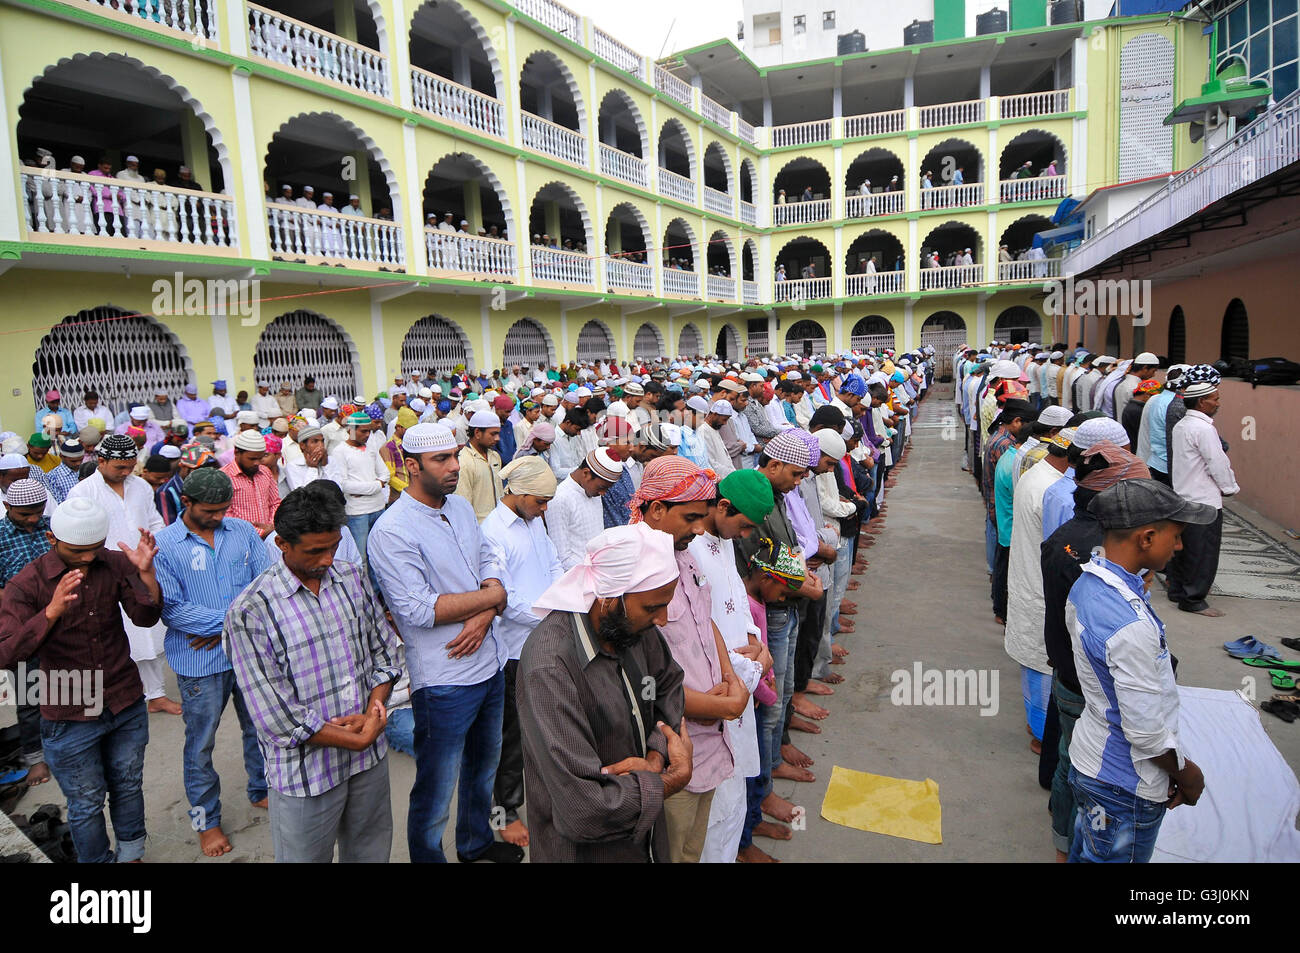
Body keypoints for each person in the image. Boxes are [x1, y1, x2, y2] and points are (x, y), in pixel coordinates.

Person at [367, 423, 522, 864]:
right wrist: (493, 598)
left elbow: (488, 556)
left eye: (455, 456)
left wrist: (489, 605)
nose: (454, 466)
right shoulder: (391, 530)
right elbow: (417, 609)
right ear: (411, 466)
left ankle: (476, 845)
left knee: (481, 772)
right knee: (436, 789)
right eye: (442, 460)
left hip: (489, 664)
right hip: (445, 679)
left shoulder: (457, 507)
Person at [224, 483, 401, 863]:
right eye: (315, 551)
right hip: (305, 775)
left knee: (371, 853)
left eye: (333, 547)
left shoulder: (352, 577)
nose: (326, 559)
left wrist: (374, 711)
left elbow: (385, 653)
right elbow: (277, 718)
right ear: (282, 543)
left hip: (368, 760)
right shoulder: (251, 612)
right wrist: (355, 736)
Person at [0, 496, 162, 863]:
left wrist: (147, 577)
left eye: (94, 550)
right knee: (86, 800)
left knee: (127, 785)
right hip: (70, 706)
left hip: (123, 698)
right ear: (51, 539)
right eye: (78, 551)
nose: (88, 558)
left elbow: (146, 618)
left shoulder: (116, 563)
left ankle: (132, 855)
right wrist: (52, 611)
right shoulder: (26, 585)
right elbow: (7, 653)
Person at [517, 522, 690, 862]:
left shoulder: (632, 628)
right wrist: (669, 781)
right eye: (653, 608)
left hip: (642, 839)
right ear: (609, 599)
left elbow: (667, 683)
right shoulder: (550, 668)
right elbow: (584, 809)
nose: (663, 619)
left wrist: (655, 756)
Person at [1066, 479, 1213, 863]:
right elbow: (1146, 734)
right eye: (1176, 536)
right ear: (1146, 538)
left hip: (1091, 764)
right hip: (1123, 788)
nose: (1179, 547)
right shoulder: (1128, 625)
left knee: (1088, 852)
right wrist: (1186, 773)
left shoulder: (1088, 583)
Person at [153, 469, 271, 857]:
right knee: (200, 744)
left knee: (260, 727)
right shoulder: (165, 545)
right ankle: (207, 820)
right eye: (211, 511)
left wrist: (225, 626)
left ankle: (261, 788)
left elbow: (265, 588)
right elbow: (172, 609)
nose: (219, 517)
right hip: (198, 662)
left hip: (250, 653)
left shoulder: (243, 533)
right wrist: (231, 622)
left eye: (224, 509)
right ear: (186, 503)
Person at [687, 470, 775, 863]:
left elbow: (737, 597)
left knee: (735, 795)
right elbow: (696, 629)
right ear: (722, 506)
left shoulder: (723, 540)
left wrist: (756, 640)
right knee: (713, 808)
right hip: (715, 688)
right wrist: (744, 665)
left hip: (743, 678)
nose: (744, 536)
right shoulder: (689, 549)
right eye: (743, 526)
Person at [479, 456, 563, 850]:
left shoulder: (534, 523)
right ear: (520, 493)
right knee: (510, 737)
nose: (545, 508)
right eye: (541, 501)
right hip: (514, 649)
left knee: (546, 729)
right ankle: (504, 811)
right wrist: (548, 616)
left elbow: (553, 566)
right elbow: (504, 598)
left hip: (546, 639)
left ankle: (545, 796)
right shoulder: (493, 532)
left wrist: (565, 600)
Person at [67, 434, 182, 715]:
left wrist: (155, 543)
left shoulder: (141, 486)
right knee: (111, 636)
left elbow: (154, 520)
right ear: (101, 460)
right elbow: (75, 538)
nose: (126, 472)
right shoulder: (82, 493)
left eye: (130, 466)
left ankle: (155, 694)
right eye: (120, 467)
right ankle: (119, 697)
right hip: (102, 572)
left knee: (149, 633)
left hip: (140, 570)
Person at [1167, 365, 1238, 617]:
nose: (1218, 403)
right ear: (1202, 402)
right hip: (1203, 499)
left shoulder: (1184, 425)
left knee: (1184, 548)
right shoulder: (1204, 429)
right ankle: (1193, 599)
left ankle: (1177, 590)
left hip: (1184, 495)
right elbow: (1217, 462)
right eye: (1215, 399)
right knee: (1203, 552)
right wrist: (1229, 488)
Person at [0, 479, 55, 787]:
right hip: (21, 626)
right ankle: (35, 758)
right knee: (30, 694)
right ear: (8, 507)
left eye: (38, 513)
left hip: (61, 619)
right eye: (25, 515)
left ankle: (73, 745)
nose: (33, 520)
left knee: (71, 685)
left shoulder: (53, 527)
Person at [546, 448, 623, 570]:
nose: (603, 493)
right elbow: (562, 558)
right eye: (602, 487)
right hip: (578, 579)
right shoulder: (560, 499)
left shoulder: (594, 492)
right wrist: (596, 571)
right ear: (586, 473)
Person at [332, 411, 389, 569]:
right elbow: (343, 485)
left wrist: (366, 489)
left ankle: (378, 592)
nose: (367, 435)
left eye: (369, 431)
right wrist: (376, 486)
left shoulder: (370, 448)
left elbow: (385, 474)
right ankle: (363, 592)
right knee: (361, 557)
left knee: (380, 554)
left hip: (378, 507)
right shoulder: (340, 451)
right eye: (363, 431)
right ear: (351, 430)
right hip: (357, 512)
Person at [220, 430, 281, 538]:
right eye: (252, 459)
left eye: (260, 458)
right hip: (240, 540)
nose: (257, 463)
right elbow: (226, 517)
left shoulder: (265, 472)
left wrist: (271, 526)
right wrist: (261, 532)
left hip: (270, 538)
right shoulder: (223, 477)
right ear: (237, 453)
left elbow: (275, 503)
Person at [455, 410, 504, 523]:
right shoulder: (463, 461)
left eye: (498, 434)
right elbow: (463, 506)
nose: (497, 438)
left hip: (498, 526)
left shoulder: (495, 456)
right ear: (477, 432)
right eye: (493, 434)